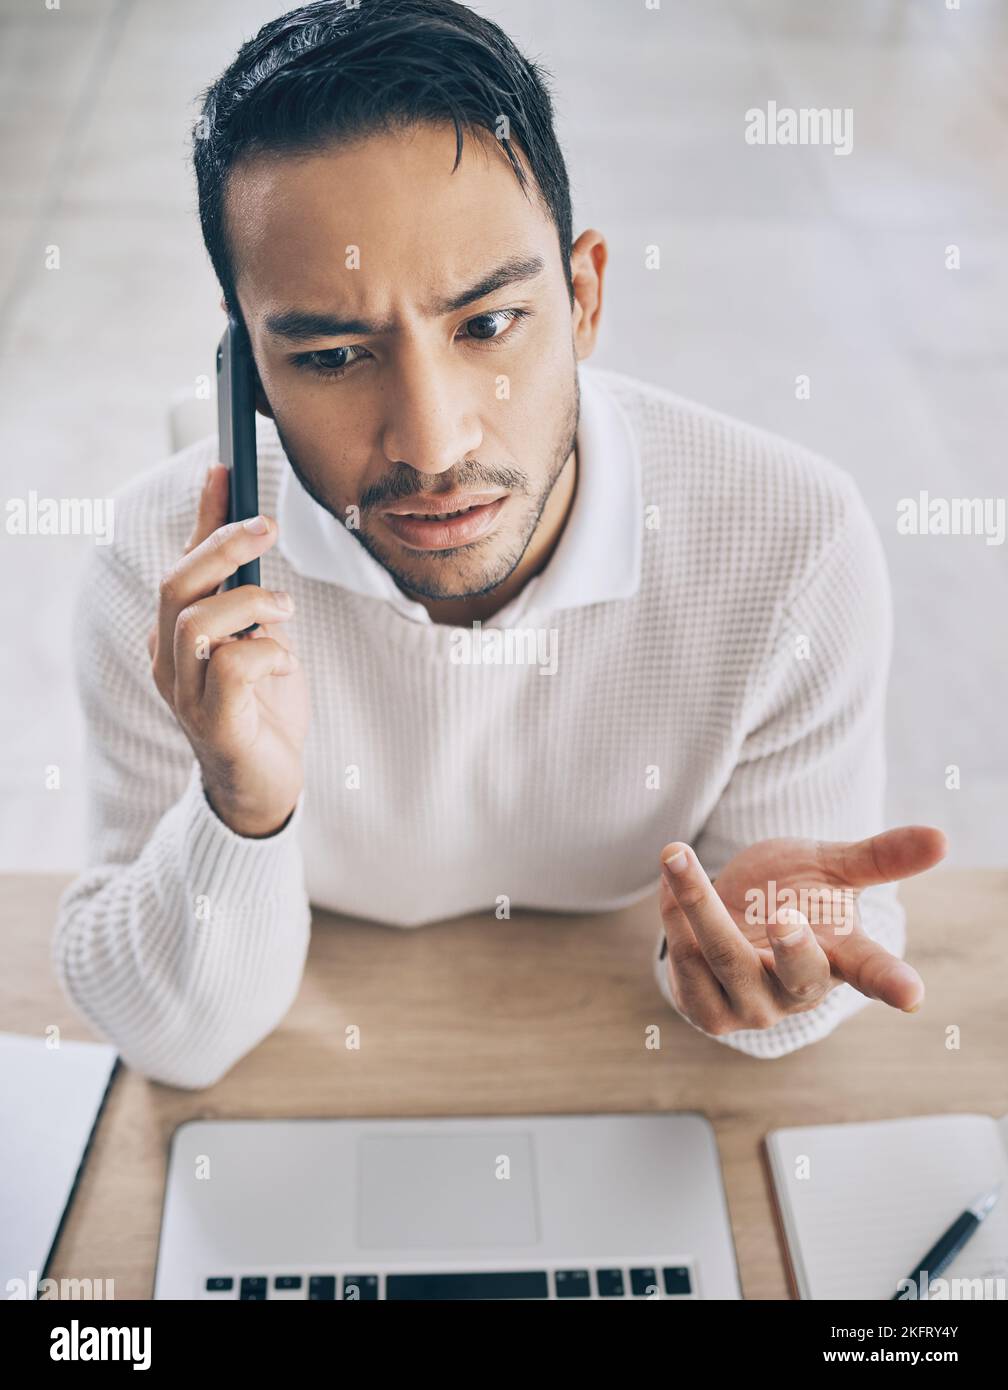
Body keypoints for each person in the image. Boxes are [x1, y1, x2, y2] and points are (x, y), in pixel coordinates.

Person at [53, 0, 946, 1089]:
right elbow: (175, 1043)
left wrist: (746, 977)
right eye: (333, 356)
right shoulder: (167, 583)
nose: (433, 442)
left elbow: (790, 949)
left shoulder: (790, 546)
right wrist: (240, 806)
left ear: (583, 298)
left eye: (486, 326)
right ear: (247, 376)